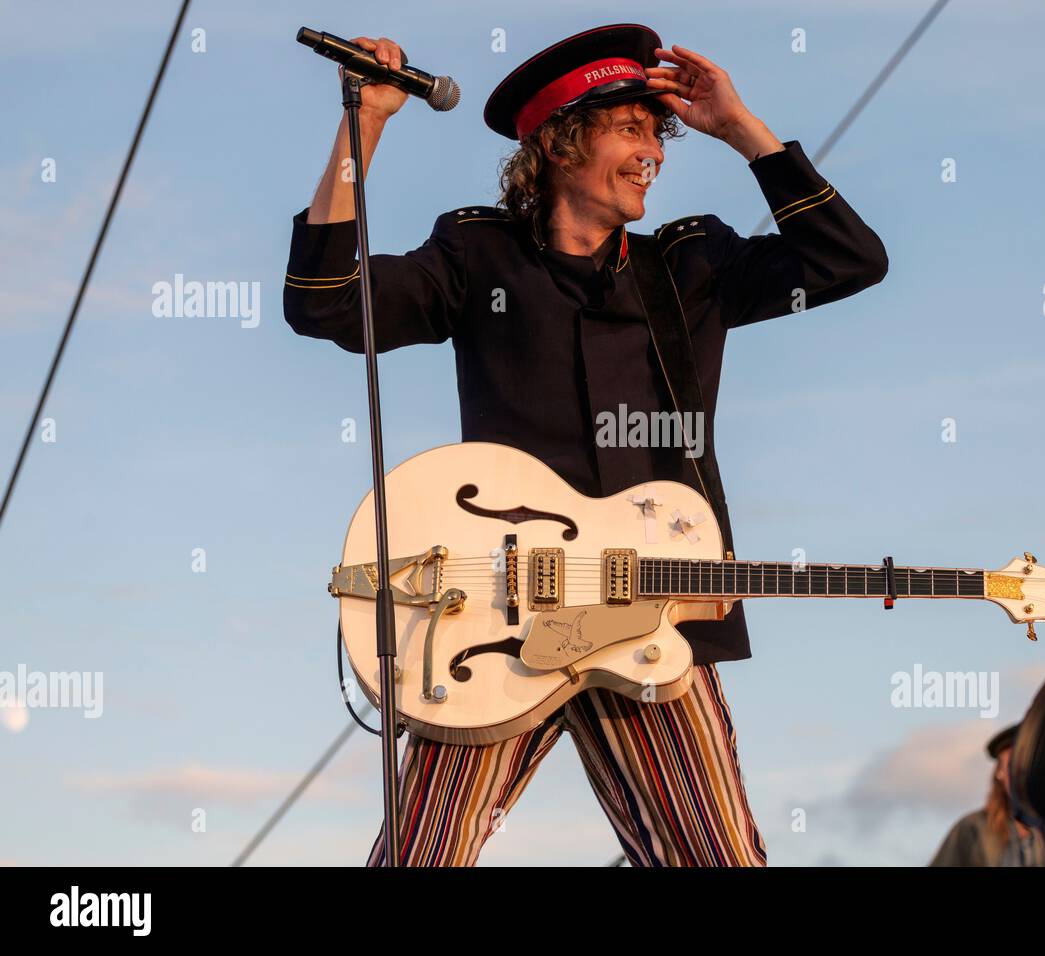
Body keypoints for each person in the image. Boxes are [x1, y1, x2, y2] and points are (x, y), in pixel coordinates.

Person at [283, 23, 888, 866]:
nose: (655, 154)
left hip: (651, 629)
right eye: (631, 130)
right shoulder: (477, 255)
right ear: (563, 144)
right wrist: (366, 127)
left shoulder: (692, 265)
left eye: (658, 133)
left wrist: (743, 128)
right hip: (493, 628)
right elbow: (325, 304)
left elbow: (851, 261)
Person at [929, 723, 1045, 867]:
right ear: (1000, 772)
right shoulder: (972, 830)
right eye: (1013, 765)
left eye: (1028, 762)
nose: (1022, 773)